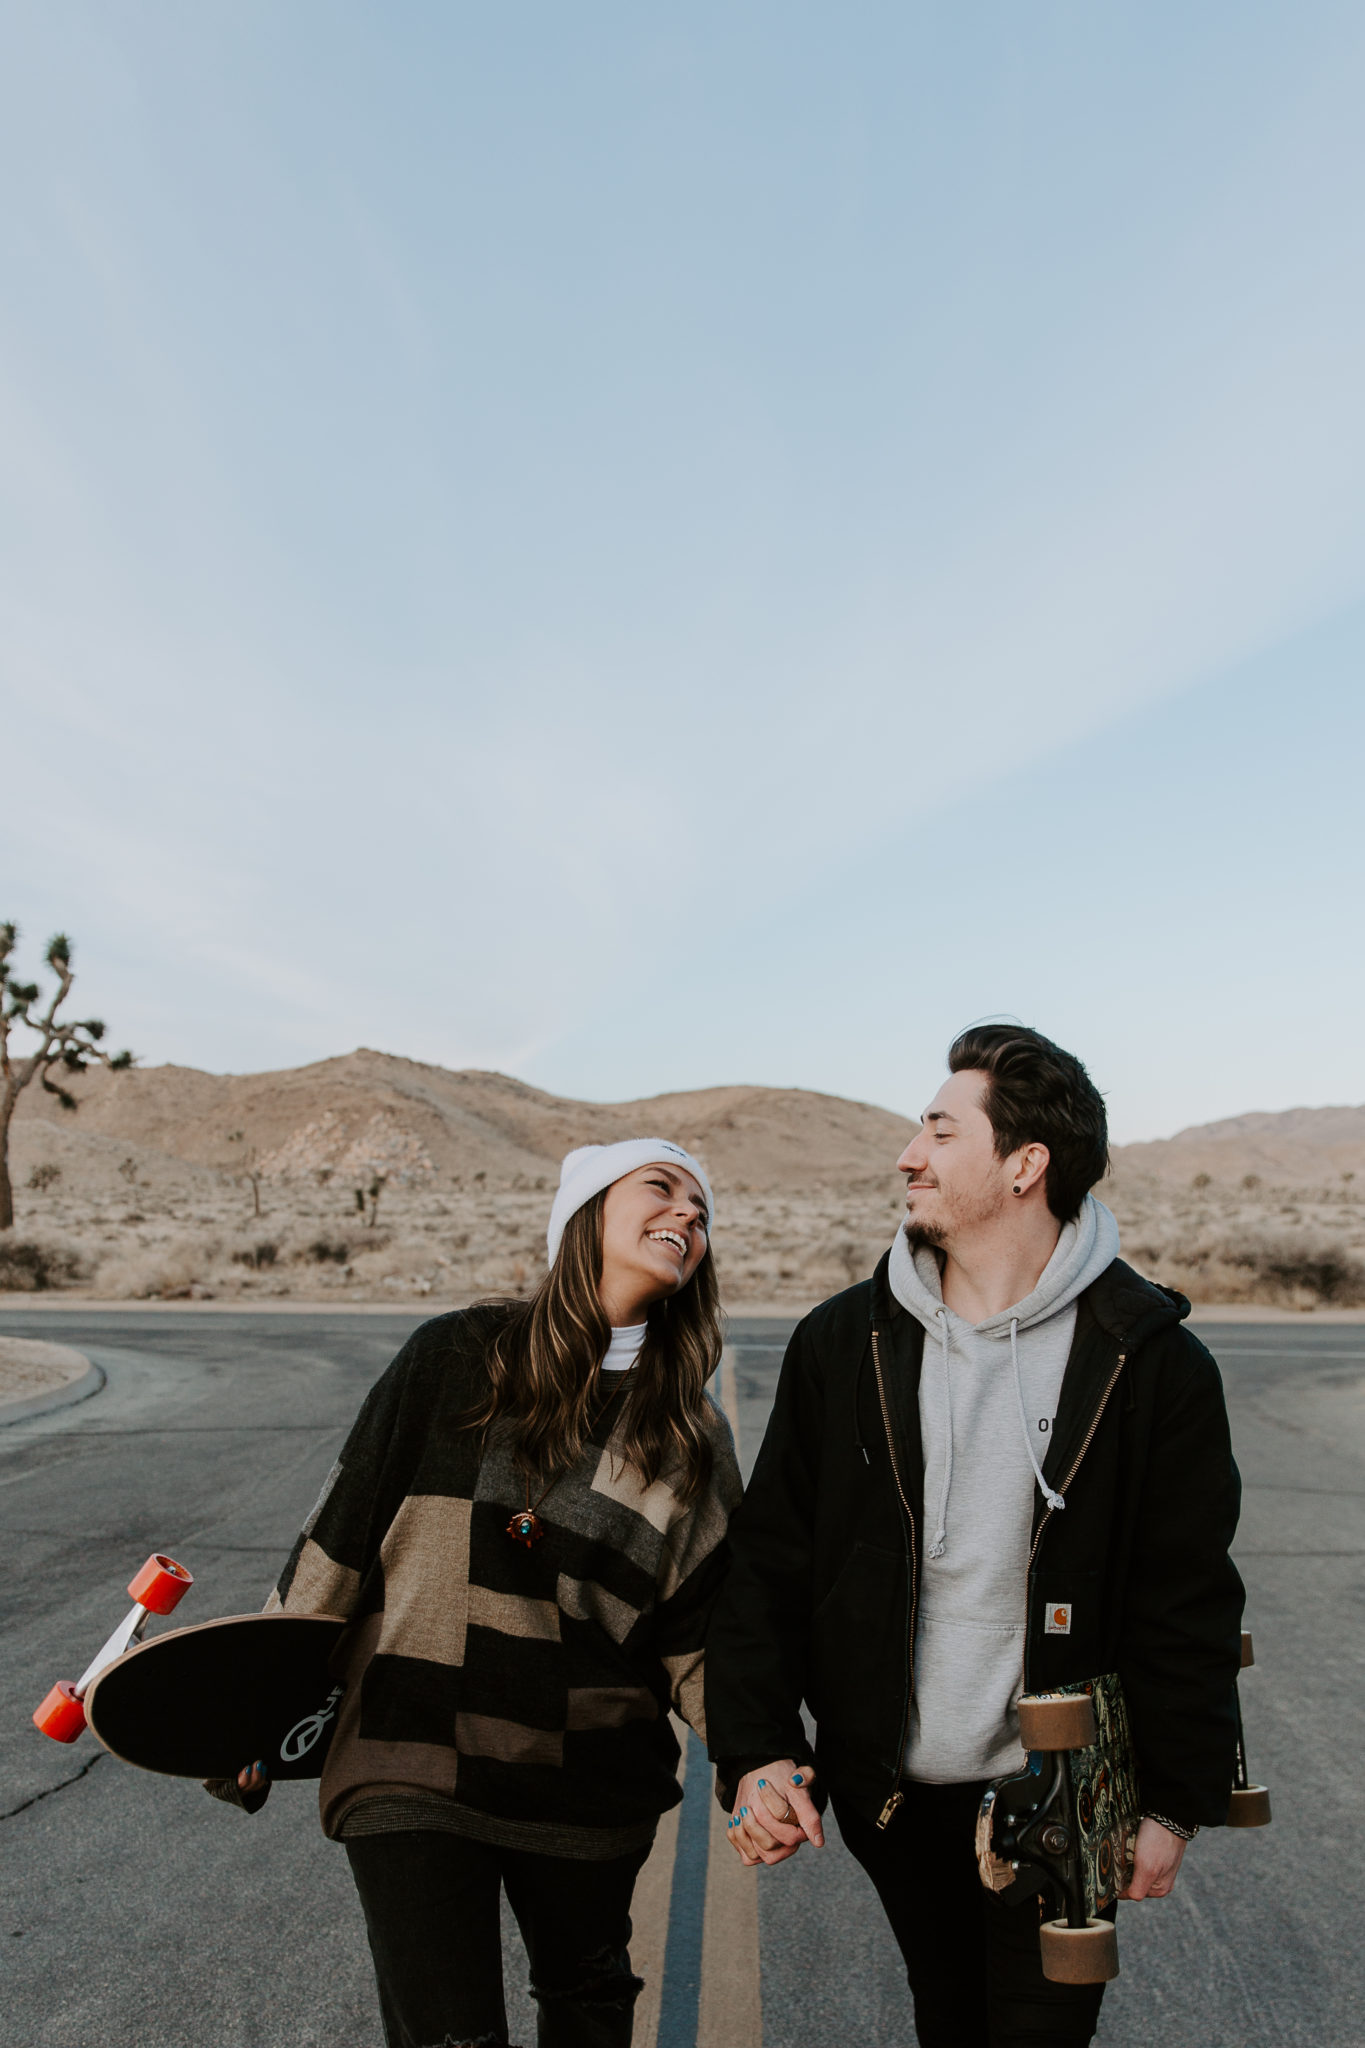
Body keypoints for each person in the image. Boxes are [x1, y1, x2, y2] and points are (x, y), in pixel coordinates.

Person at [705, 1025, 1244, 2048]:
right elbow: (770, 1560)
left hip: (1065, 1802)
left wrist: (1172, 1801)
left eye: (941, 1130)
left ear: (1024, 1164)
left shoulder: (1150, 1361)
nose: (909, 1153)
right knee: (949, 2019)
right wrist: (757, 1747)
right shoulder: (846, 1341)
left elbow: (1187, 1600)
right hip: (896, 1800)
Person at [208, 1137, 741, 2048]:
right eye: (662, 1188)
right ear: (583, 1217)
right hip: (411, 1744)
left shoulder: (687, 1432)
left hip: (587, 1771)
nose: (688, 1213)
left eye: (701, 1209)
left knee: (588, 2006)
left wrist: (756, 1758)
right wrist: (256, 1704)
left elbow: (700, 1634)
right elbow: (338, 1538)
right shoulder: (454, 1355)